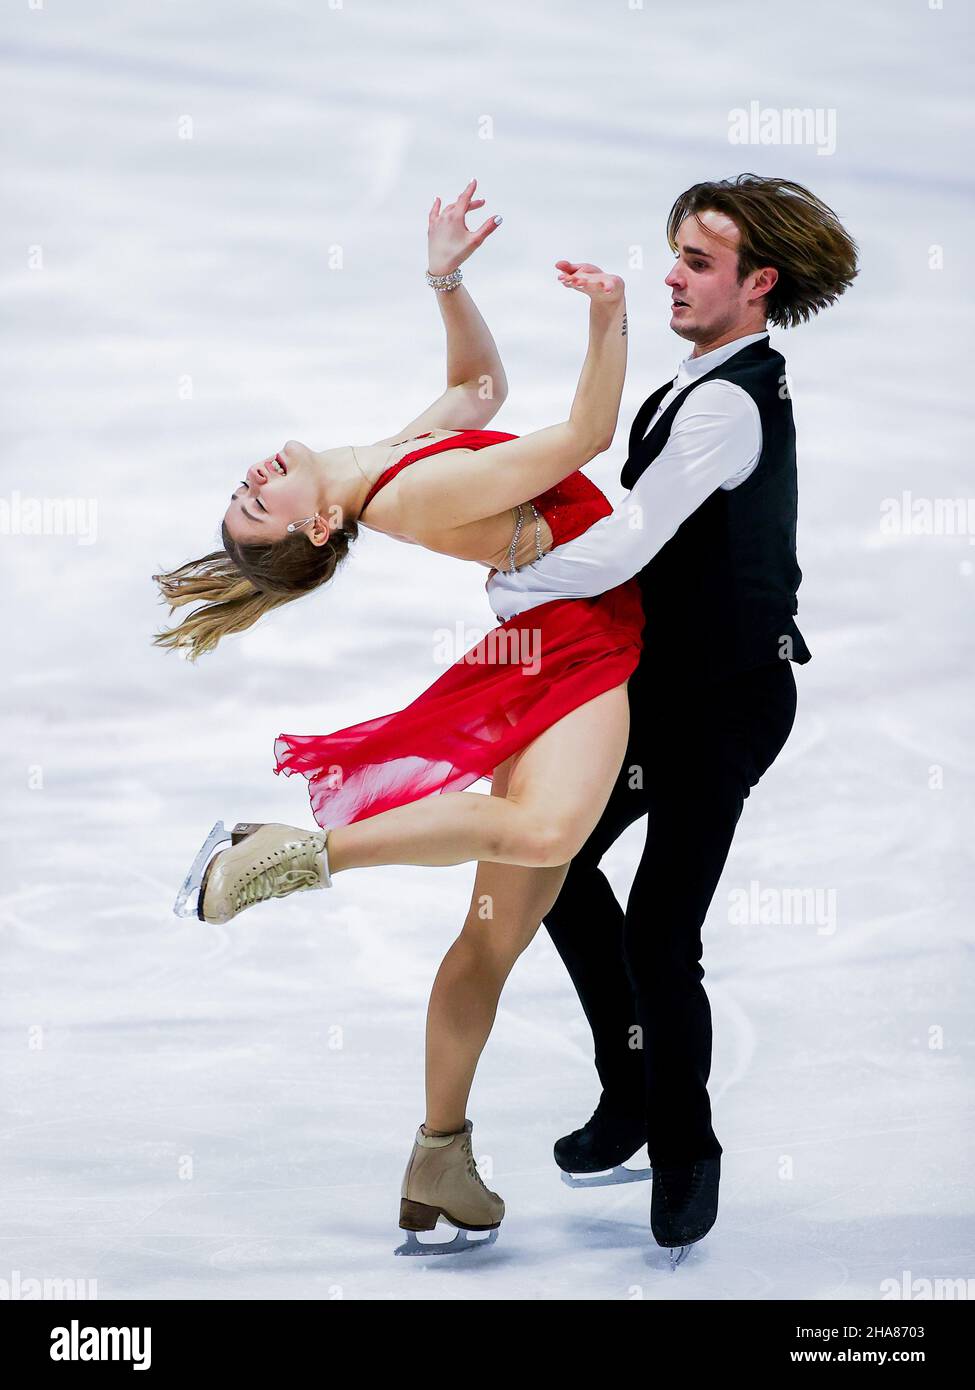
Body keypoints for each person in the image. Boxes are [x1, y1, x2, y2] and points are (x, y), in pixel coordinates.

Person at [152, 179, 646, 1253]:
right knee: (547, 835)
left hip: (543, 635)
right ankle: (280, 859)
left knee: (491, 934)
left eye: (241, 493)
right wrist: (610, 313)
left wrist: (446, 278)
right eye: (256, 503)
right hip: (578, 642)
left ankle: (440, 1158)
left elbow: (475, 385)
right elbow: (588, 431)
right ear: (323, 524)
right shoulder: (409, 499)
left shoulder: (383, 461)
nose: (250, 479)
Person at [486, 173, 859, 1264]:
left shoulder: (731, 400)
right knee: (552, 864)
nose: (674, 276)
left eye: (699, 262)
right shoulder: (694, 383)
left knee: (661, 930)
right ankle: (633, 1086)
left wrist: (524, 582)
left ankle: (686, 1144)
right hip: (660, 687)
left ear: (759, 284)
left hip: (729, 702)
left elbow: (637, 538)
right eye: (677, 255)